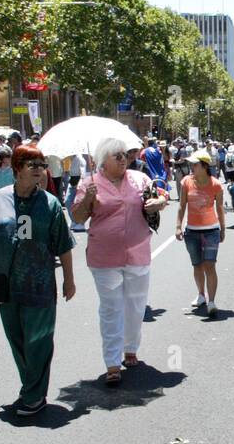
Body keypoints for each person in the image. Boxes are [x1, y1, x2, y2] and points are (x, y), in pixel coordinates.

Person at [0, 145, 76, 417]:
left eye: (42, 164)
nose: (39, 168)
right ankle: (30, 388)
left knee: (39, 342)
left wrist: (69, 280)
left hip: (40, 284)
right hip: (6, 283)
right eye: (32, 163)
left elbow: (64, 245)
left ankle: (33, 396)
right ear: (17, 168)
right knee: (17, 339)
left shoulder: (50, 204)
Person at [72, 138, 168, 386]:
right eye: (117, 156)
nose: (123, 159)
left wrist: (159, 203)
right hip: (104, 258)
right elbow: (78, 218)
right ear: (103, 160)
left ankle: (131, 347)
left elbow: (160, 197)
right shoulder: (89, 183)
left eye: (124, 155)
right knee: (111, 308)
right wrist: (87, 200)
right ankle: (112, 362)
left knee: (136, 306)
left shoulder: (139, 179)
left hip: (138, 252)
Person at [175, 151, 225, 317]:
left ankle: (211, 302)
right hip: (192, 231)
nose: (192, 167)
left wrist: (222, 229)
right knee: (197, 265)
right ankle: (201, 295)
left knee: (210, 265)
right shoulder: (186, 182)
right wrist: (178, 226)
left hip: (211, 230)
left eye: (195, 164)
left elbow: (219, 208)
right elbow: (182, 205)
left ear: (204, 166)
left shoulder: (216, 184)